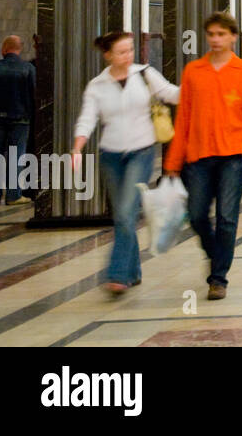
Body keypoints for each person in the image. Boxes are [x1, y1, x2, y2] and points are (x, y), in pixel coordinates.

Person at [164, 11, 242, 300]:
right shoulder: (193, 71)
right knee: (198, 216)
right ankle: (216, 255)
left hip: (231, 157)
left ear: (233, 37)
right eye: (211, 34)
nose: (215, 39)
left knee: (227, 218)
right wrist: (173, 160)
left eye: (221, 34)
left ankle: (218, 278)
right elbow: (183, 118)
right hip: (198, 156)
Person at [71, 31, 179, 294]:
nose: (128, 56)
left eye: (130, 50)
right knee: (124, 215)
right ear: (107, 55)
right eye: (121, 52)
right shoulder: (97, 85)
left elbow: (170, 93)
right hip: (110, 154)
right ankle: (133, 270)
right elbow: (88, 118)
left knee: (124, 212)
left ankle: (118, 274)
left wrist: (199, 86)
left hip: (141, 152)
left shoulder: (145, 74)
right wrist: (77, 148)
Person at [0, 36, 35, 205]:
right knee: (16, 156)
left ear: (4, 49)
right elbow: (34, 94)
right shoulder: (28, 68)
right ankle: (13, 195)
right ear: (19, 49)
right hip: (21, 119)